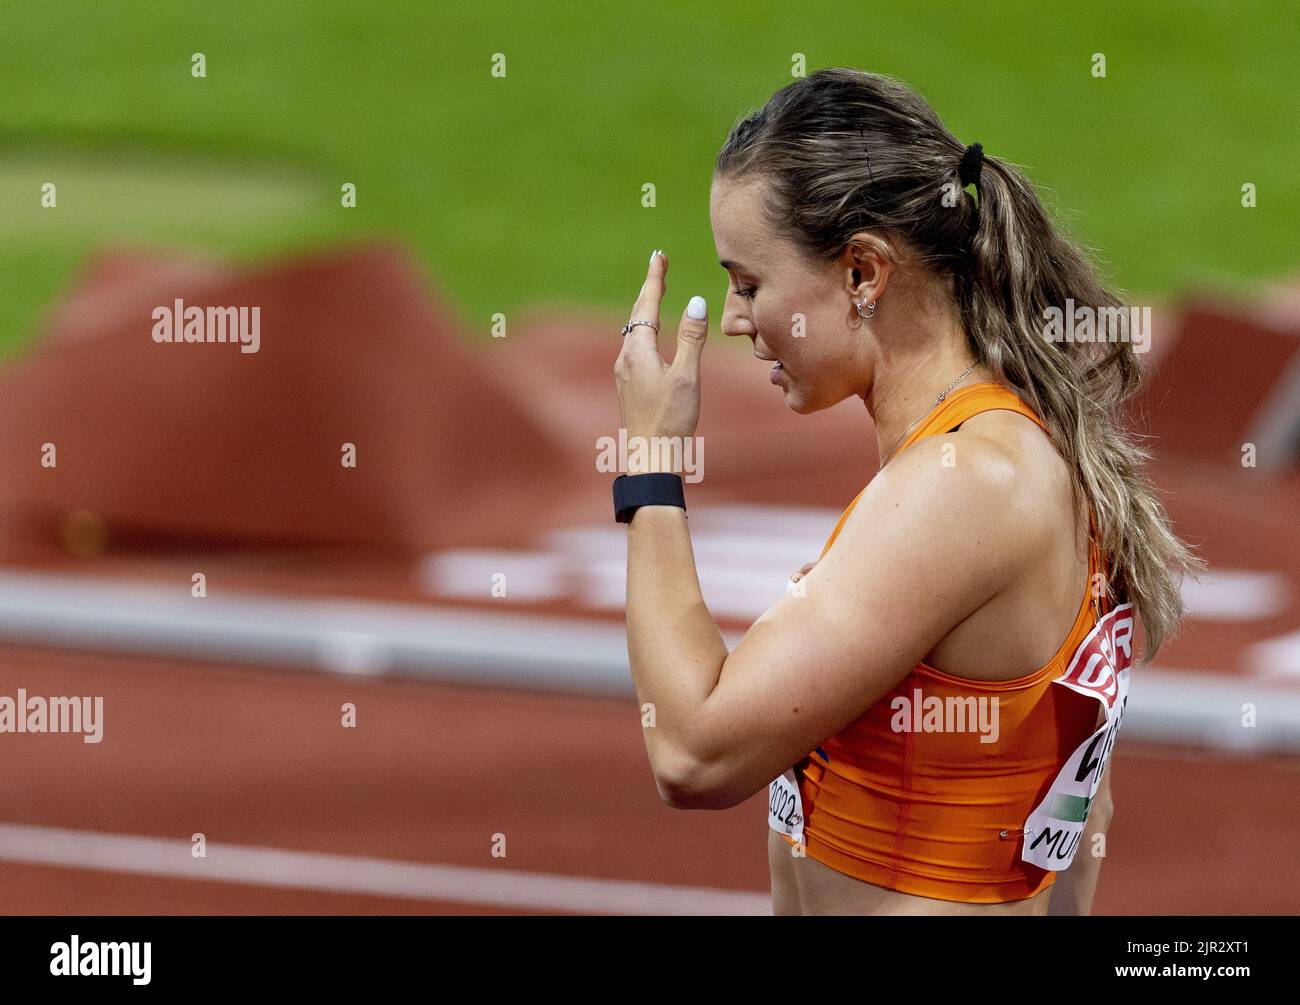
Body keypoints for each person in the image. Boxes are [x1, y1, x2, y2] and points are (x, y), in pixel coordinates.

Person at [613, 68, 1199, 915]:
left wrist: (649, 462)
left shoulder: (969, 488)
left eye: (750, 285)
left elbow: (694, 754)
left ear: (862, 271)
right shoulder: (1012, 453)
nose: (738, 320)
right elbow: (1079, 812)